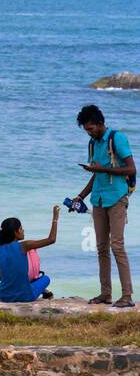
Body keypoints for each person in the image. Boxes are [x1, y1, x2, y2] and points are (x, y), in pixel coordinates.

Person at [75, 104, 134, 307]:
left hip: (117, 198)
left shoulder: (116, 138)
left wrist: (104, 170)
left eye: (91, 129)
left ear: (100, 124)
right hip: (98, 200)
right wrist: (80, 196)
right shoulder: (92, 144)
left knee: (117, 246)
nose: (88, 133)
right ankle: (105, 294)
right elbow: (96, 174)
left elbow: (132, 168)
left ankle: (127, 296)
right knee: (101, 248)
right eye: (86, 130)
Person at [0, 207, 58, 303]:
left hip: (4, 295)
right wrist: (55, 218)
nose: (23, 230)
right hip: (25, 296)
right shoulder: (24, 245)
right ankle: (39, 288)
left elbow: (0, 277)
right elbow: (51, 239)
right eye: (21, 229)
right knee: (46, 279)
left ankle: (33, 286)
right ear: (15, 233)